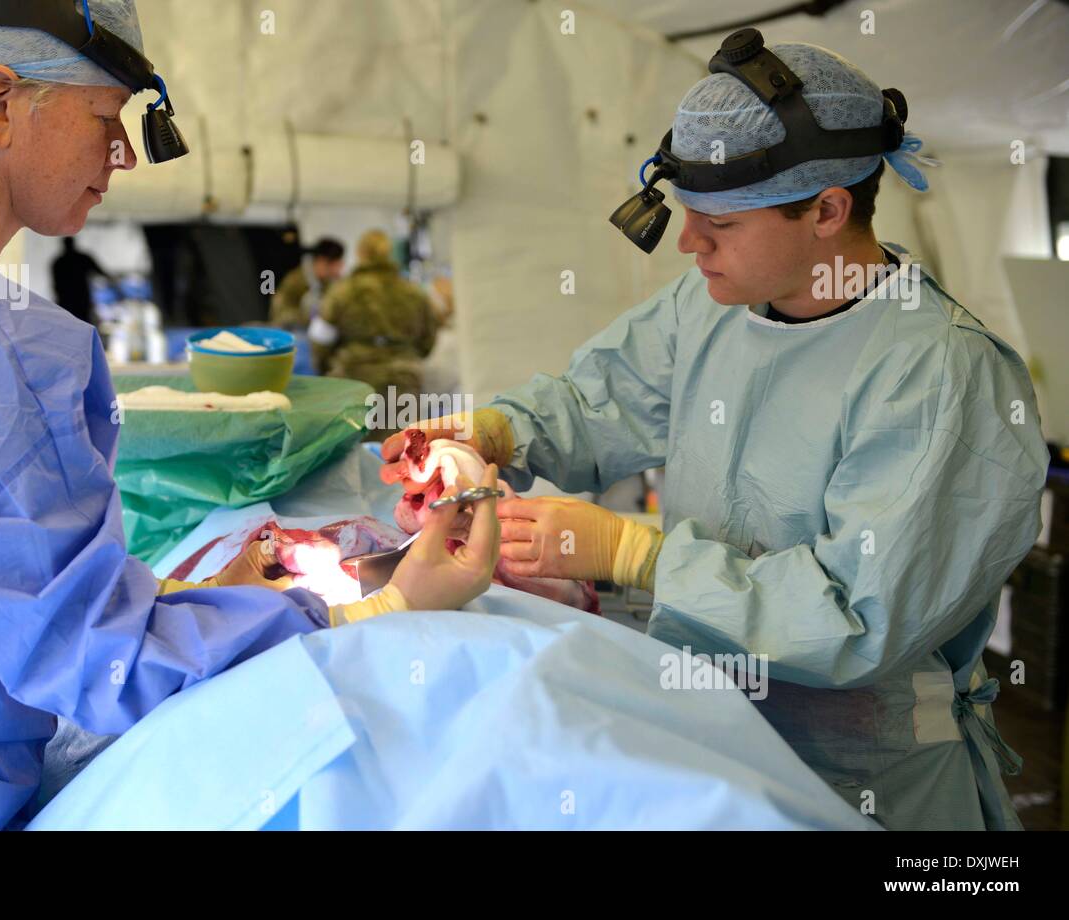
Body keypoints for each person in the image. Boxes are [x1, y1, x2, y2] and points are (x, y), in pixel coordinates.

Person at [0, 0, 497, 830]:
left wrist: (189, 599)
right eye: (106, 118)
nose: (123, 155)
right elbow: (103, 662)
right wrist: (382, 610)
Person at [381, 41, 1049, 830]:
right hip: (716, 733)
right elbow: (599, 398)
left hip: (865, 778)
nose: (689, 243)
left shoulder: (940, 375)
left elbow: (860, 618)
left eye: (720, 224)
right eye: (687, 215)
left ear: (828, 211)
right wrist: (492, 435)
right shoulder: (711, 309)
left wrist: (638, 558)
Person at [316, 229, 440, 428]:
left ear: (359, 254)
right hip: (402, 380)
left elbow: (320, 340)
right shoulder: (414, 292)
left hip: (353, 378)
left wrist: (324, 368)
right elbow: (428, 340)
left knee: (351, 446)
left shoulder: (341, 291)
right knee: (398, 448)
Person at [268, 236, 345, 335]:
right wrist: (312, 317)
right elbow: (279, 314)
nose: (339, 270)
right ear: (322, 261)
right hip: (290, 333)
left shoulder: (328, 283)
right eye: (336, 265)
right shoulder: (295, 281)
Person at [51, 235, 115, 326]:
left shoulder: (58, 262)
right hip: (79, 298)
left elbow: (55, 285)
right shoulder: (81, 258)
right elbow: (101, 272)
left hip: (68, 299)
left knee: (69, 324)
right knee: (82, 323)